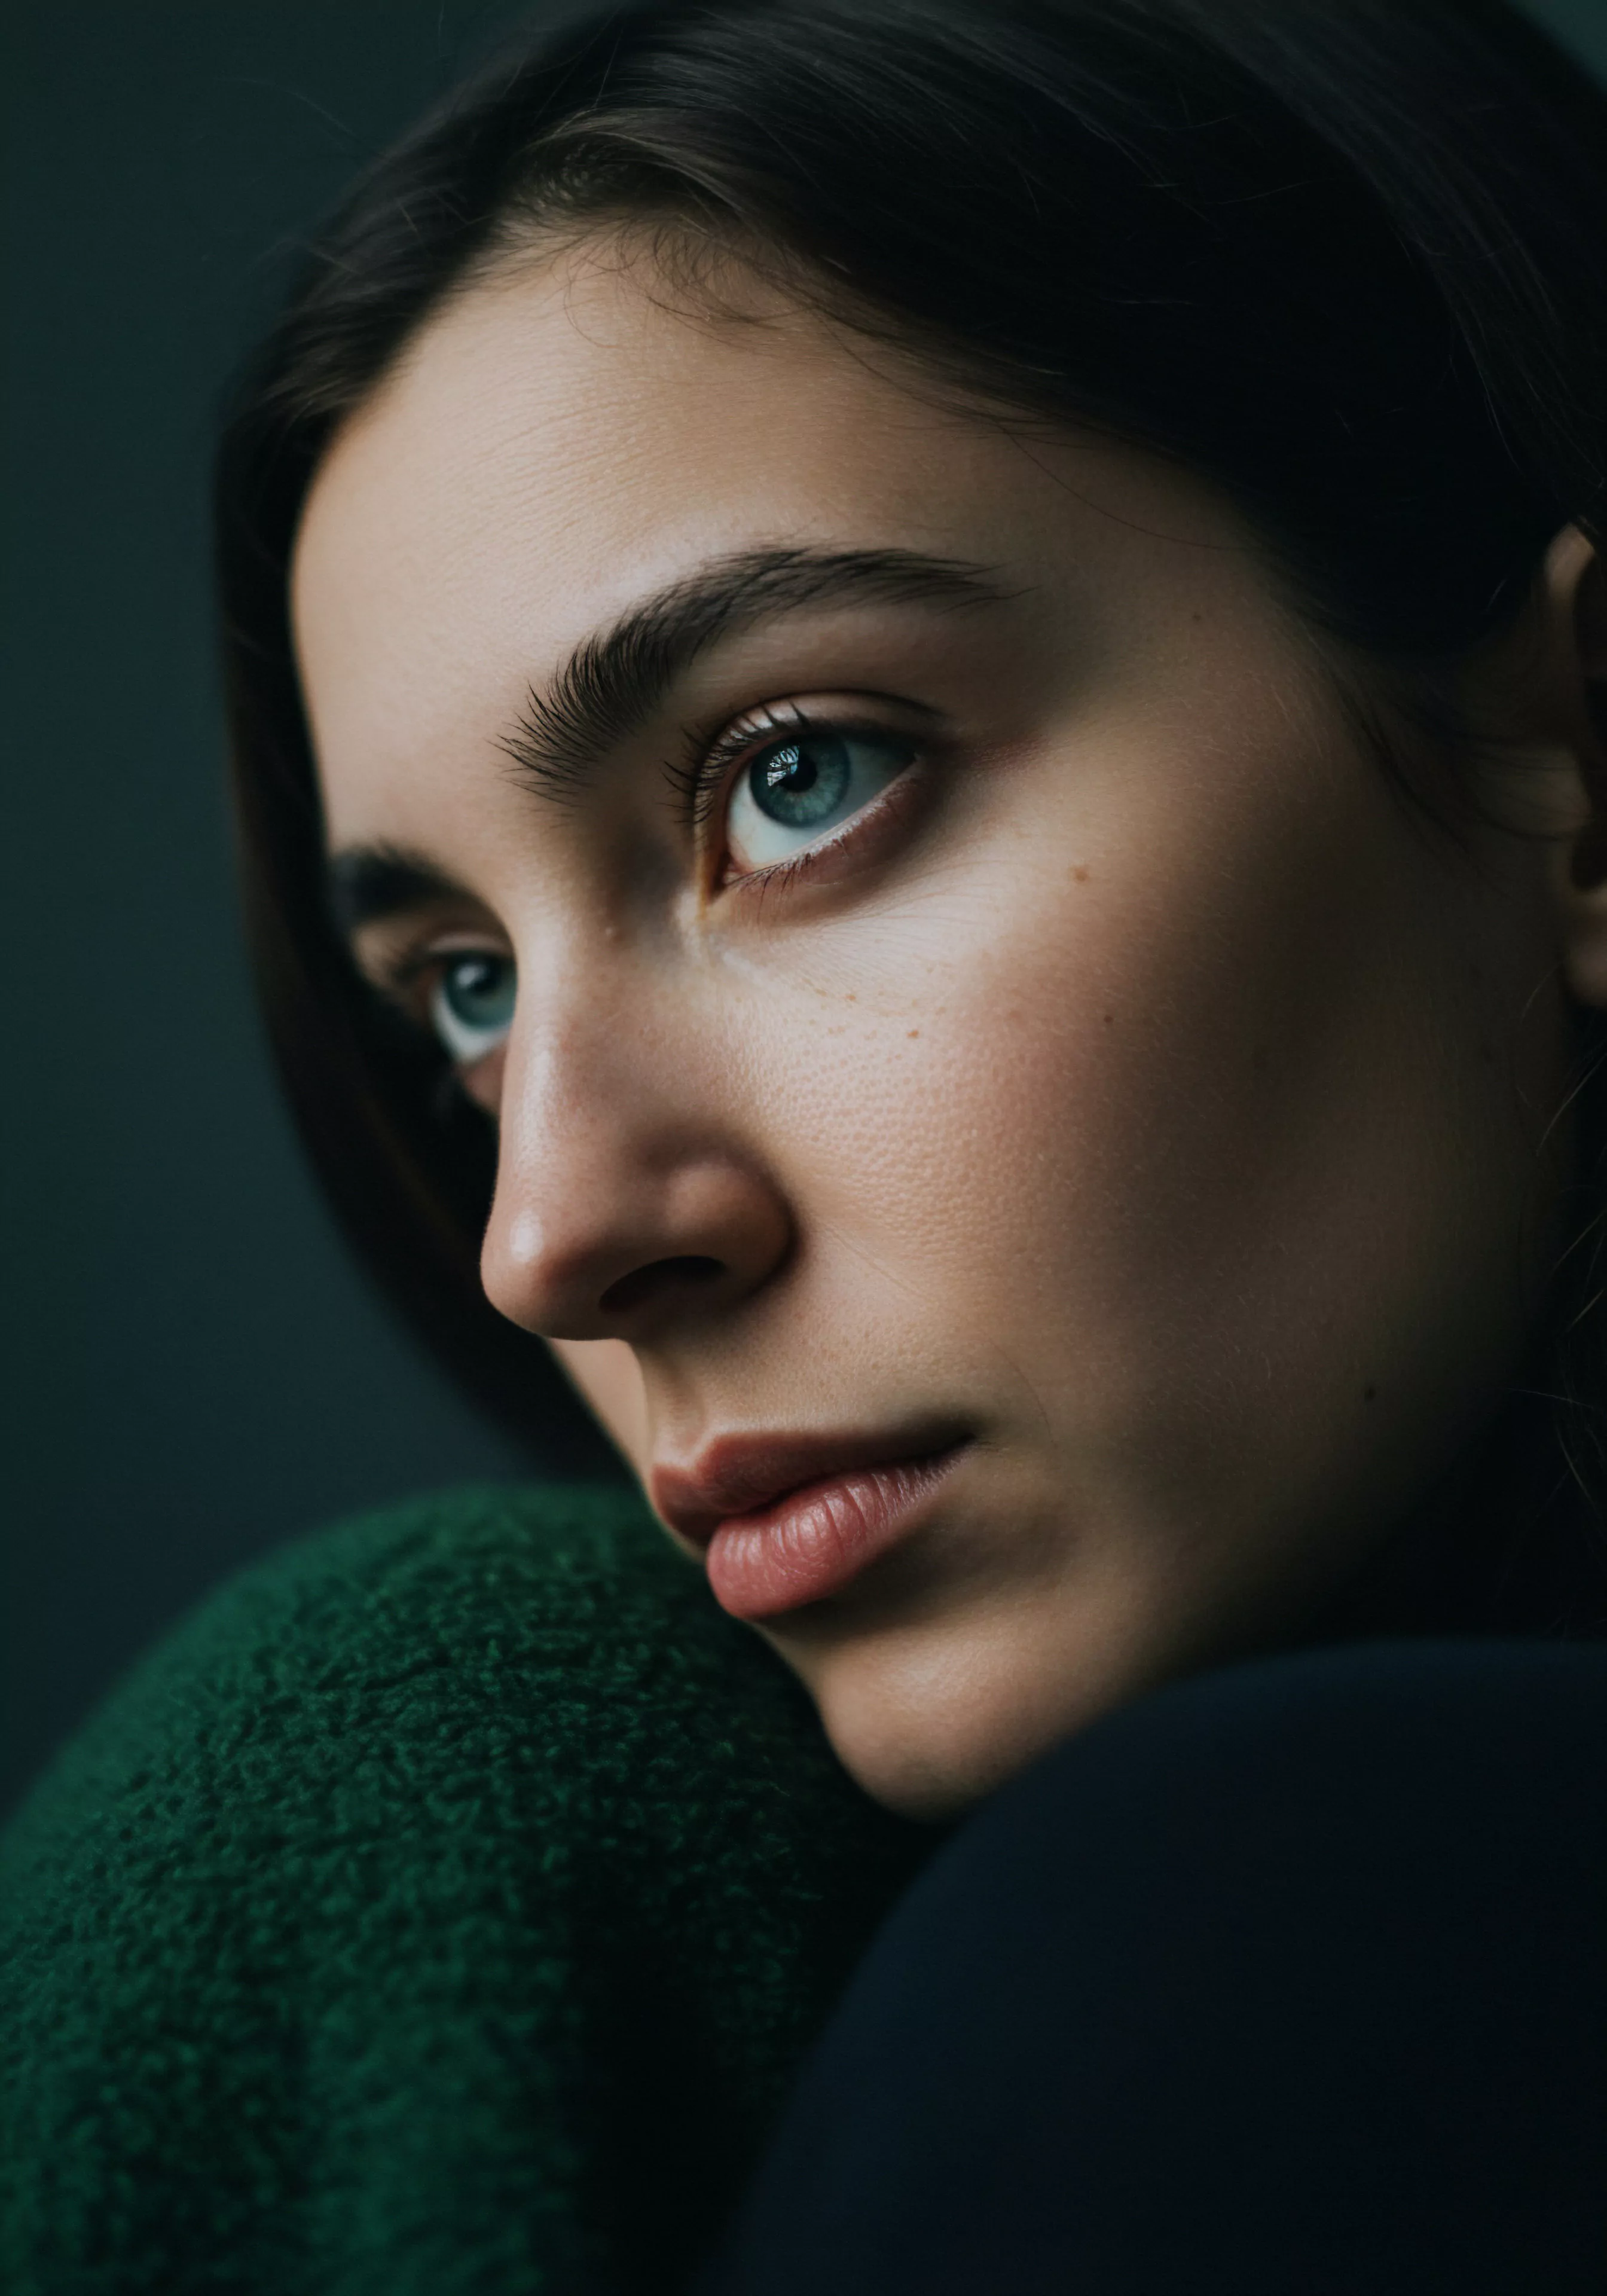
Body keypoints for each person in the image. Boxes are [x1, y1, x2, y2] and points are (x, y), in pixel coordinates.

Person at [5, 0, 1607, 2286]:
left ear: (1581, 752)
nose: (549, 1234)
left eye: (798, 776)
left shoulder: (1269, 1940)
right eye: (464, 989)